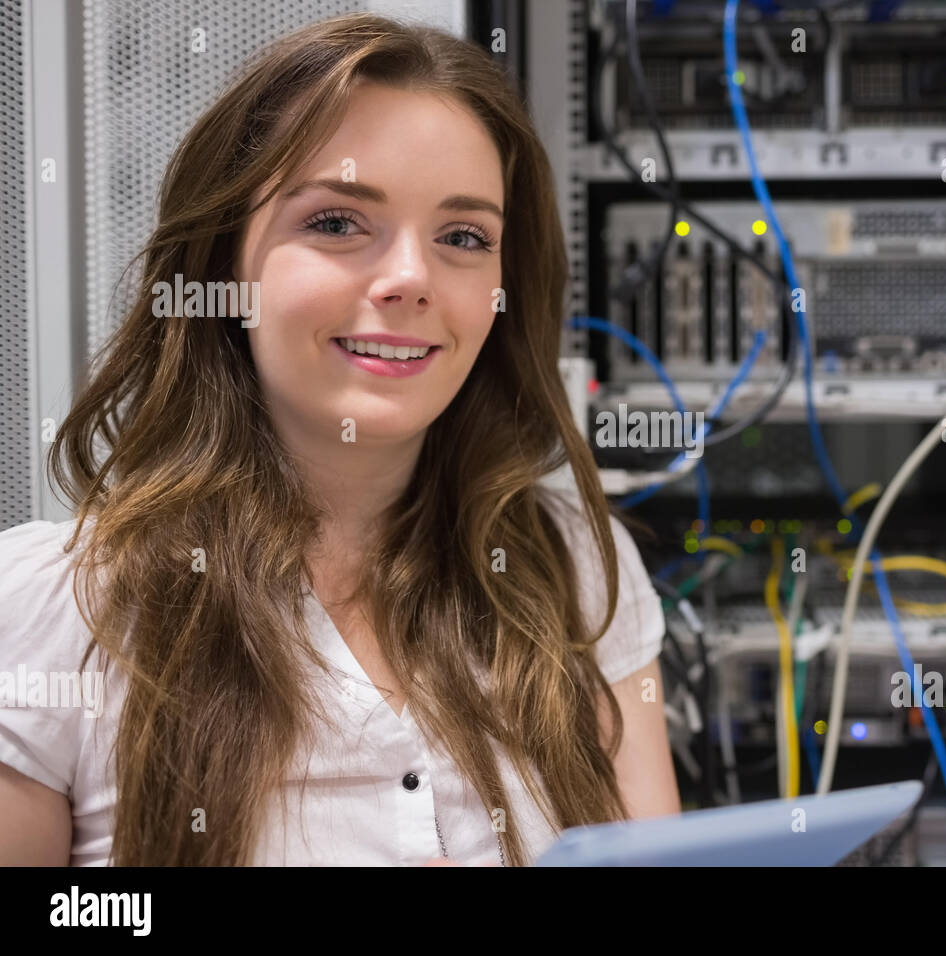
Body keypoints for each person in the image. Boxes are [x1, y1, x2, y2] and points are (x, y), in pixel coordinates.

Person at [0, 12, 679, 867]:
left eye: (463, 237)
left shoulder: (573, 567)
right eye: (336, 223)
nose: (409, 279)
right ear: (222, 265)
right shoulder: (49, 615)